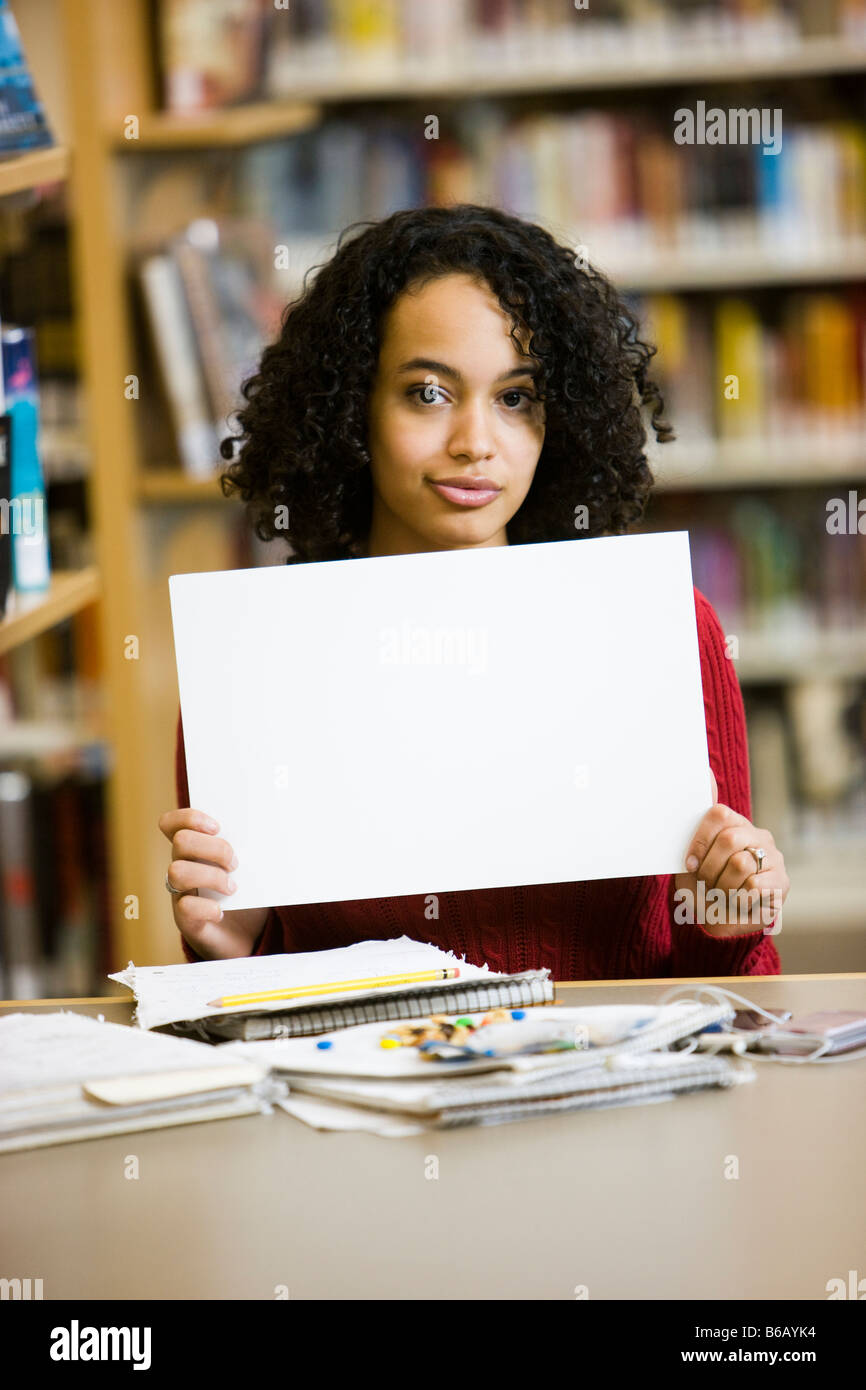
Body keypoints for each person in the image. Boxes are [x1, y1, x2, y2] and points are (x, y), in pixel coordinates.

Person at [159, 203, 787, 976]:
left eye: (515, 397)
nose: (476, 444)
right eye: (429, 393)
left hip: (612, 1089)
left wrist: (729, 918)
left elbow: (732, 989)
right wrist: (232, 948)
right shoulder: (255, 666)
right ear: (352, 407)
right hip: (373, 1090)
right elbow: (244, 1009)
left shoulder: (663, 634)